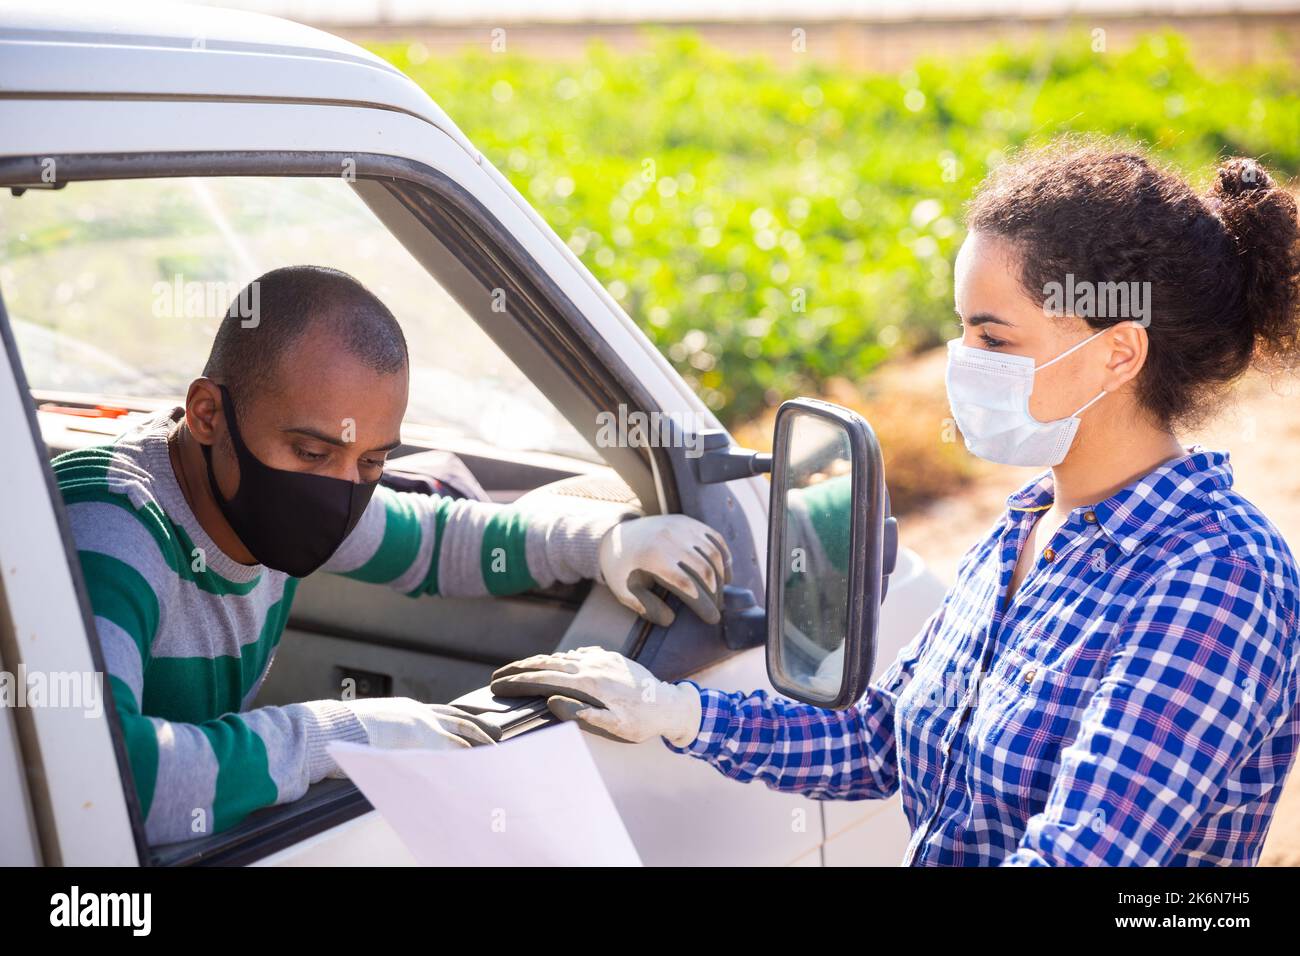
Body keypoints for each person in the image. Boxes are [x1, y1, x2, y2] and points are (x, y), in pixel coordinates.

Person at [491, 141, 1300, 866]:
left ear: (1116, 352)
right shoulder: (1027, 526)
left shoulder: (1216, 579)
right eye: (960, 333)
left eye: (994, 338)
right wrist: (677, 713)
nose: (962, 364)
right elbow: (888, 738)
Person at [54, 264, 730, 845]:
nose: (342, 491)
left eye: (373, 460)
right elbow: (105, 782)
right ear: (206, 414)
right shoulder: (108, 533)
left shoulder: (285, 486)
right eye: (314, 452)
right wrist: (328, 735)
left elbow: (439, 542)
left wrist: (603, 541)